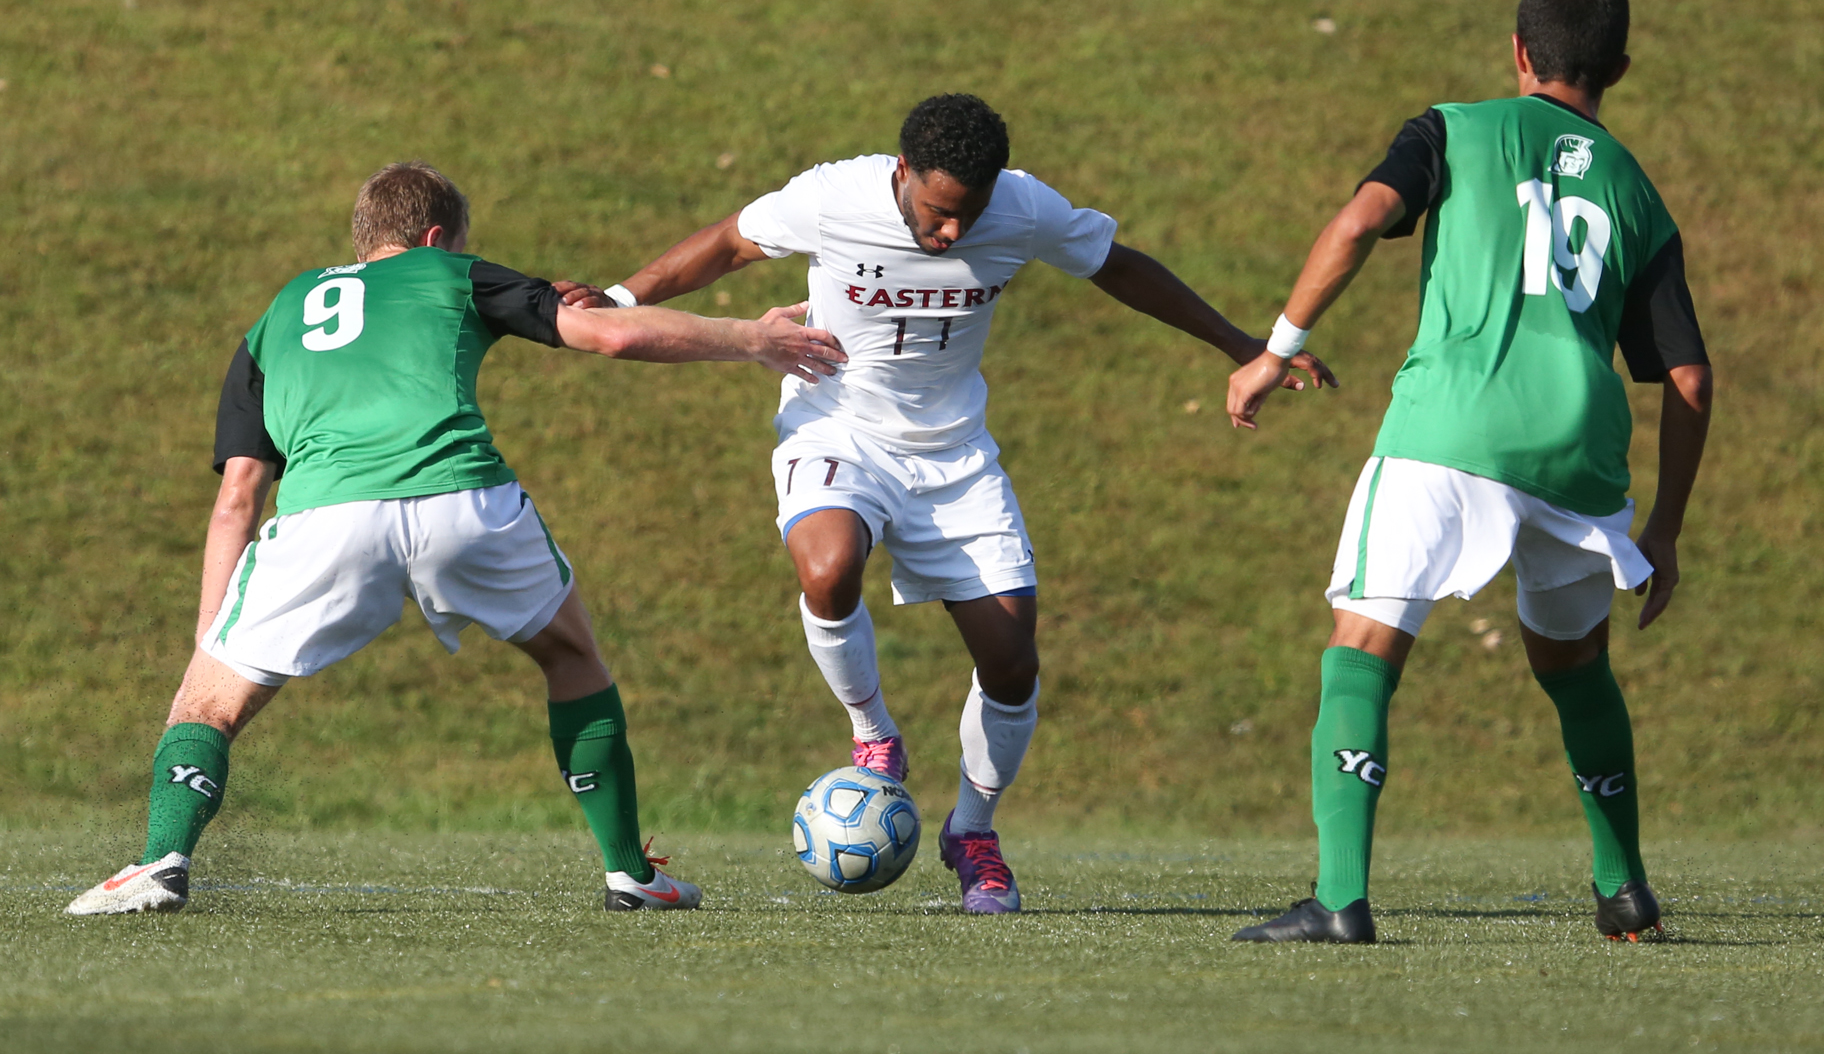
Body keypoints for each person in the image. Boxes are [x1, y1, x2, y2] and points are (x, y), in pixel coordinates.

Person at [559, 94, 1334, 913]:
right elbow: (726, 242)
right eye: (937, 213)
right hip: (838, 424)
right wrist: (621, 296)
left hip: (956, 457)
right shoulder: (835, 198)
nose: (953, 234)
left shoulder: (1024, 205)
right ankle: (874, 734)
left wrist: (1248, 346)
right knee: (827, 569)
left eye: (970, 214)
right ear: (902, 175)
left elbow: (1121, 267)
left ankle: (973, 832)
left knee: (1011, 659)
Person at [67, 162, 845, 916]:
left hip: (323, 519)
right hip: (462, 503)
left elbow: (239, 493)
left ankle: (162, 859)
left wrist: (213, 638)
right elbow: (605, 336)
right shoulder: (456, 273)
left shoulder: (280, 312)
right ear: (439, 236)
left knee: (207, 708)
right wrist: (751, 338)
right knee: (571, 658)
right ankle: (629, 871)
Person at [1224, 0, 1712, 944]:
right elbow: (1690, 380)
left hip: (1449, 435)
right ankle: (1624, 893)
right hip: (1582, 459)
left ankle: (1340, 900)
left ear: (1520, 53)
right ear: (1618, 69)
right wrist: (1662, 528)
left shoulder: (1454, 128)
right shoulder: (1636, 193)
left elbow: (1362, 221)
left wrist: (1277, 347)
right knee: (1577, 671)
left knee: (1361, 652)